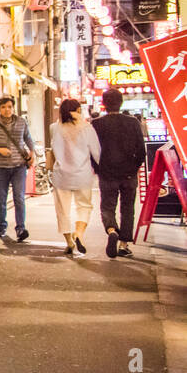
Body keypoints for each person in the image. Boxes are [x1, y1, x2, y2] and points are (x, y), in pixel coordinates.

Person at [92, 88, 145, 258]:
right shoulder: (133, 123)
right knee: (128, 208)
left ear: (104, 104)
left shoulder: (96, 124)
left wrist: (98, 169)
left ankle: (112, 229)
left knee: (107, 206)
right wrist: (134, 168)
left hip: (107, 174)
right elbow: (142, 151)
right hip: (128, 174)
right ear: (121, 102)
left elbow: (92, 151)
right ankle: (124, 244)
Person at [46, 98, 101, 256]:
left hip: (61, 176)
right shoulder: (86, 127)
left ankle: (69, 242)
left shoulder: (54, 128)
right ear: (77, 111)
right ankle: (79, 234)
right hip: (82, 175)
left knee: (62, 210)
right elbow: (96, 152)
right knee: (84, 206)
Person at [0, 96, 37, 241]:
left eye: (10, 107)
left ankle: (20, 228)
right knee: (1, 200)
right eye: (4, 107)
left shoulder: (21, 122)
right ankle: (2, 226)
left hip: (19, 166)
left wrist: (32, 151)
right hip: (1, 167)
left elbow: (28, 138)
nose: (7, 110)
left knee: (19, 198)